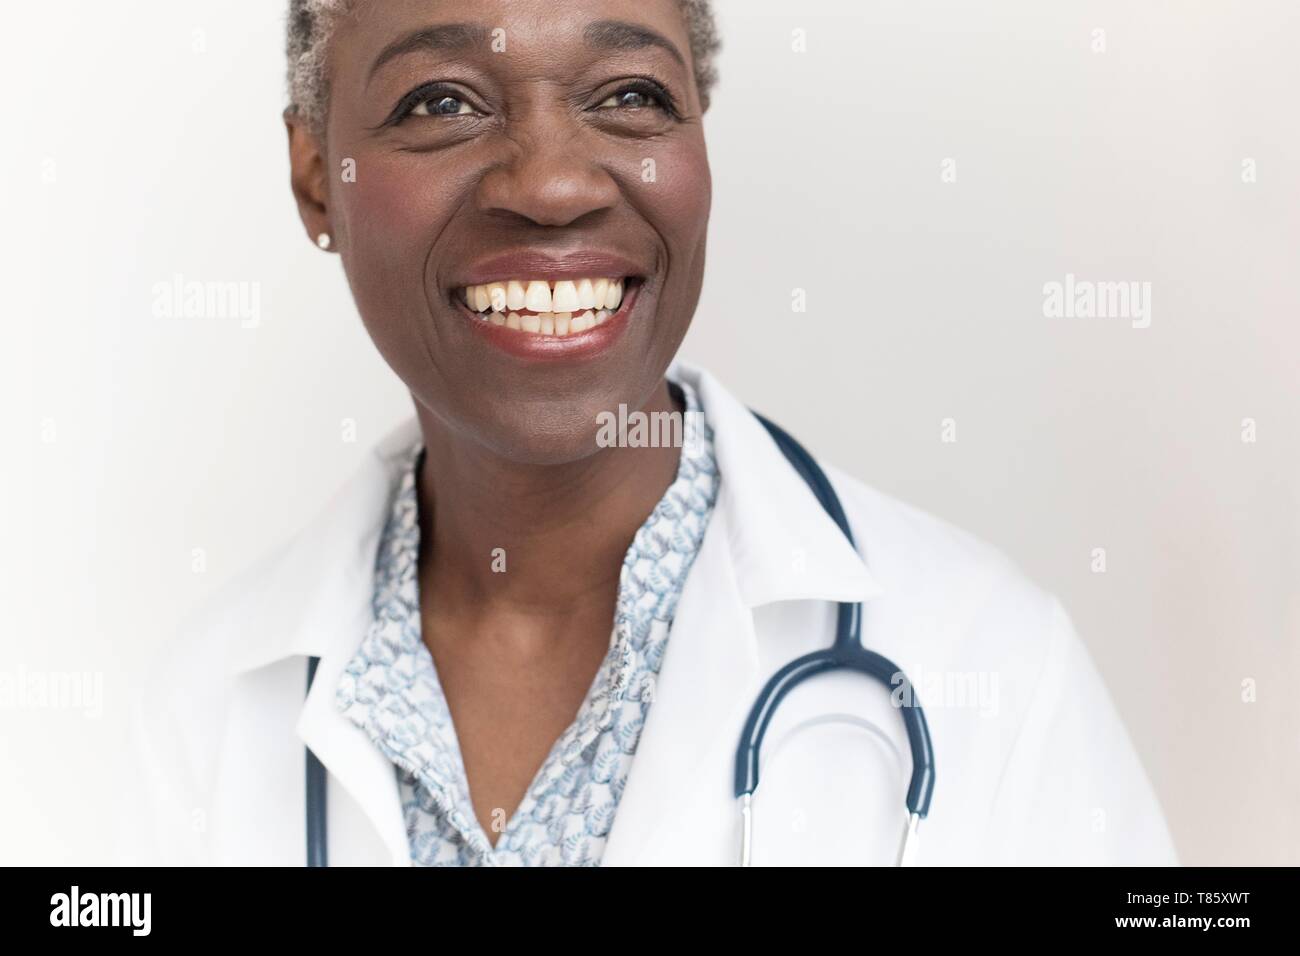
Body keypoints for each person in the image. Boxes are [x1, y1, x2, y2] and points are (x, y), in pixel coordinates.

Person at [124, 0, 1178, 866]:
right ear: (318, 173)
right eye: (440, 100)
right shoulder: (203, 711)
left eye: (629, 95)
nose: (549, 182)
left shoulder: (988, 662)